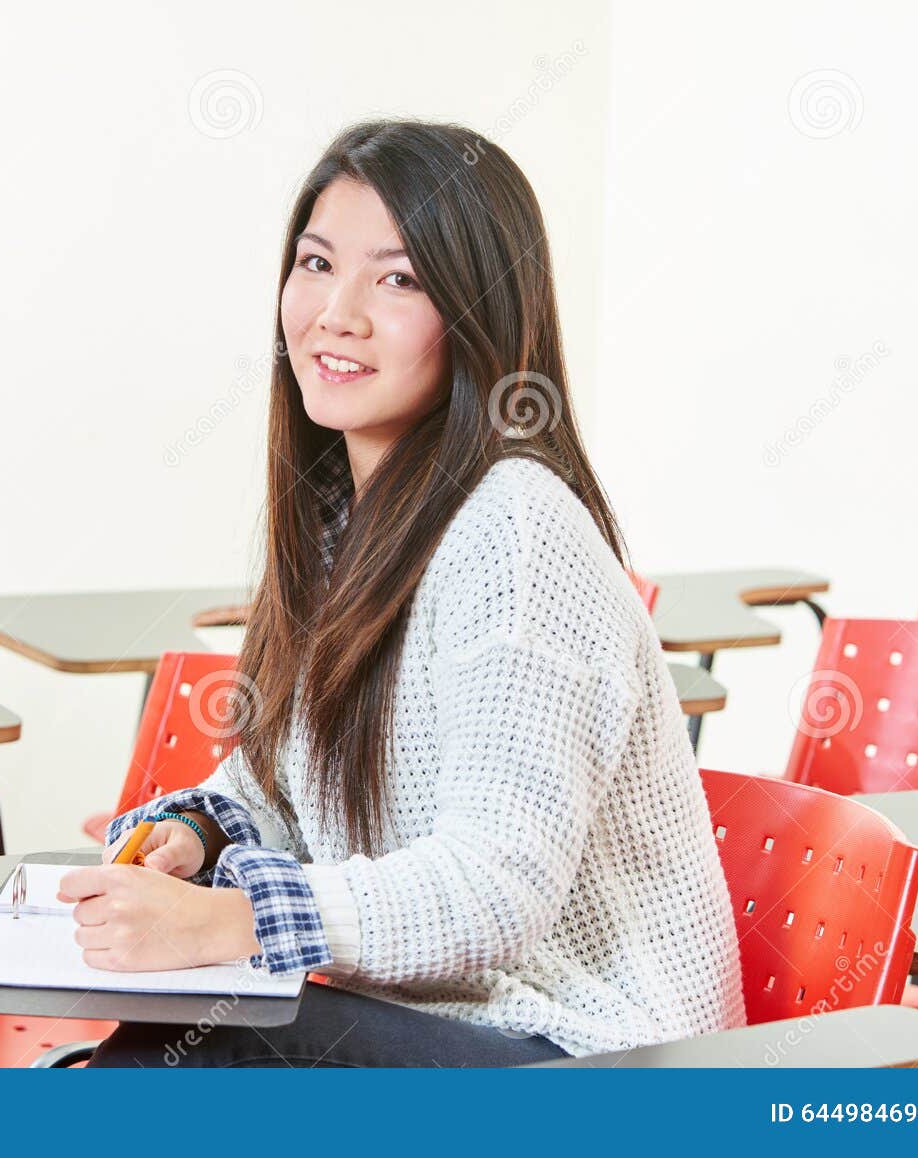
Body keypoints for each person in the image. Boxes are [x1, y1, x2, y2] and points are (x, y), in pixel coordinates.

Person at [60, 119, 745, 1067]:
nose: (336, 312)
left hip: (601, 1056)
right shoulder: (345, 521)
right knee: (168, 1037)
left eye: (399, 279)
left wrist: (232, 922)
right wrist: (195, 836)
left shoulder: (517, 529)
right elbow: (281, 791)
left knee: (209, 1046)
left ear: (475, 313)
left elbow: (495, 890)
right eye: (315, 263)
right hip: (444, 1030)